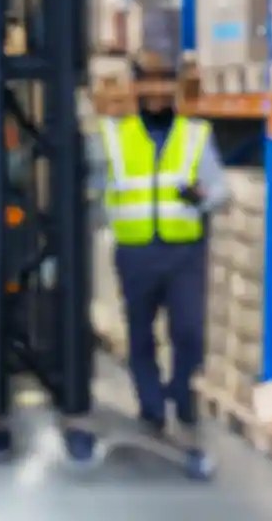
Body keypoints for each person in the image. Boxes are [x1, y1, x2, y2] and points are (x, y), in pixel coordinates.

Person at [86, 51, 229, 440]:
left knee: (188, 332)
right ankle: (151, 407)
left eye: (164, 85)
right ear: (135, 89)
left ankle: (181, 391)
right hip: (136, 252)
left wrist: (201, 196)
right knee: (140, 333)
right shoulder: (113, 135)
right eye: (148, 85)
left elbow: (220, 190)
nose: (157, 95)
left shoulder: (195, 133)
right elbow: (96, 187)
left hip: (183, 251)